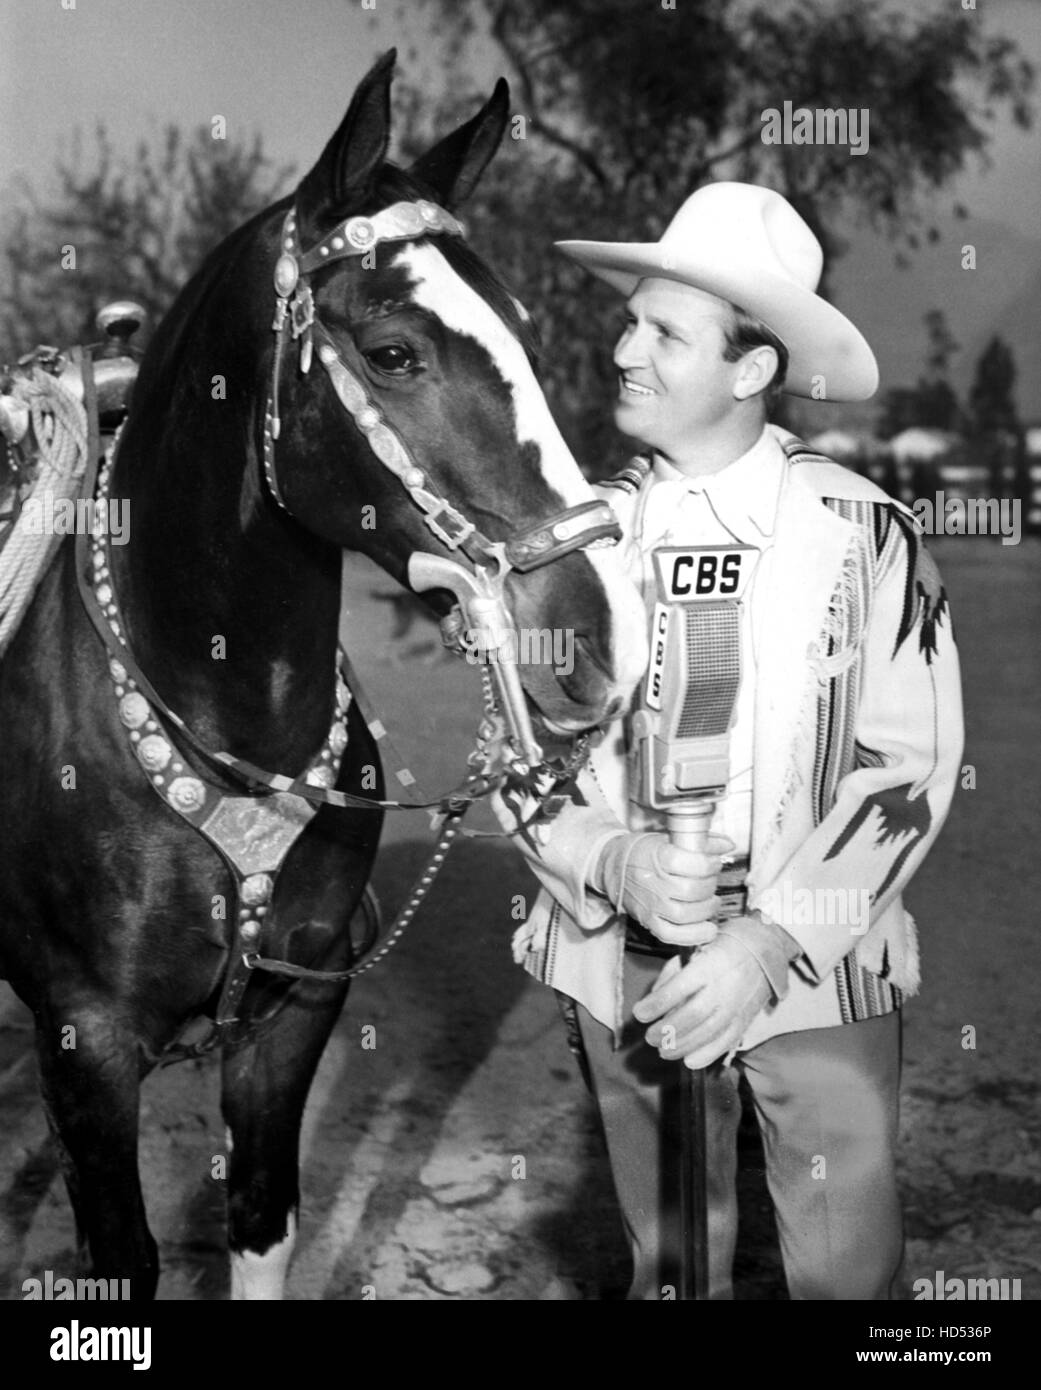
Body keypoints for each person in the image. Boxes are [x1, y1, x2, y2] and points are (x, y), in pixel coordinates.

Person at [494, 182, 963, 1300]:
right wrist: (614, 860)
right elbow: (516, 755)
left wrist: (769, 938)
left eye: (664, 331)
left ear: (753, 370)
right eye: (630, 321)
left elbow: (907, 764)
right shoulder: (570, 548)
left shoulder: (863, 533)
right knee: (669, 1263)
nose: (623, 349)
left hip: (815, 959)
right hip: (629, 961)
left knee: (849, 1271)